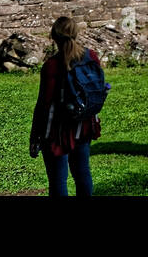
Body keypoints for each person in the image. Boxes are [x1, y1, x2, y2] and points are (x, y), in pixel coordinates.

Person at [30, 16, 102, 196]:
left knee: (58, 180)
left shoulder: (52, 66)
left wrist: (35, 136)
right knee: (83, 173)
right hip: (83, 124)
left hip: (58, 131)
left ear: (54, 37)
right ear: (76, 34)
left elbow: (44, 105)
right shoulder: (91, 57)